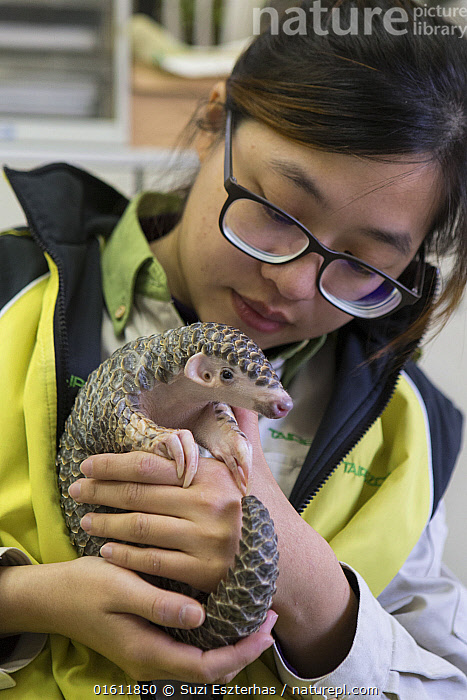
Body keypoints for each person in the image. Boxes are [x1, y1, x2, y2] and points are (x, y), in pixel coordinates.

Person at [1, 0, 467, 697]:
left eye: (363, 262)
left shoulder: (408, 432)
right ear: (214, 121)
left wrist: (317, 600)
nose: (290, 282)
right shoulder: (12, 302)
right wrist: (27, 601)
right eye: (277, 212)